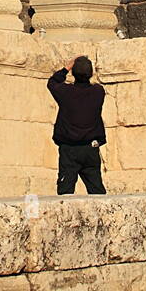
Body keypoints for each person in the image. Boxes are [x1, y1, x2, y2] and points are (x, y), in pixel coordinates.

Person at [46, 55, 107, 195]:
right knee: (97, 191)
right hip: (90, 148)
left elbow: (52, 82)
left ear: (73, 73)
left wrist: (66, 68)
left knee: (65, 190)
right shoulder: (98, 92)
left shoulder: (65, 92)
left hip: (69, 149)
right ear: (91, 73)